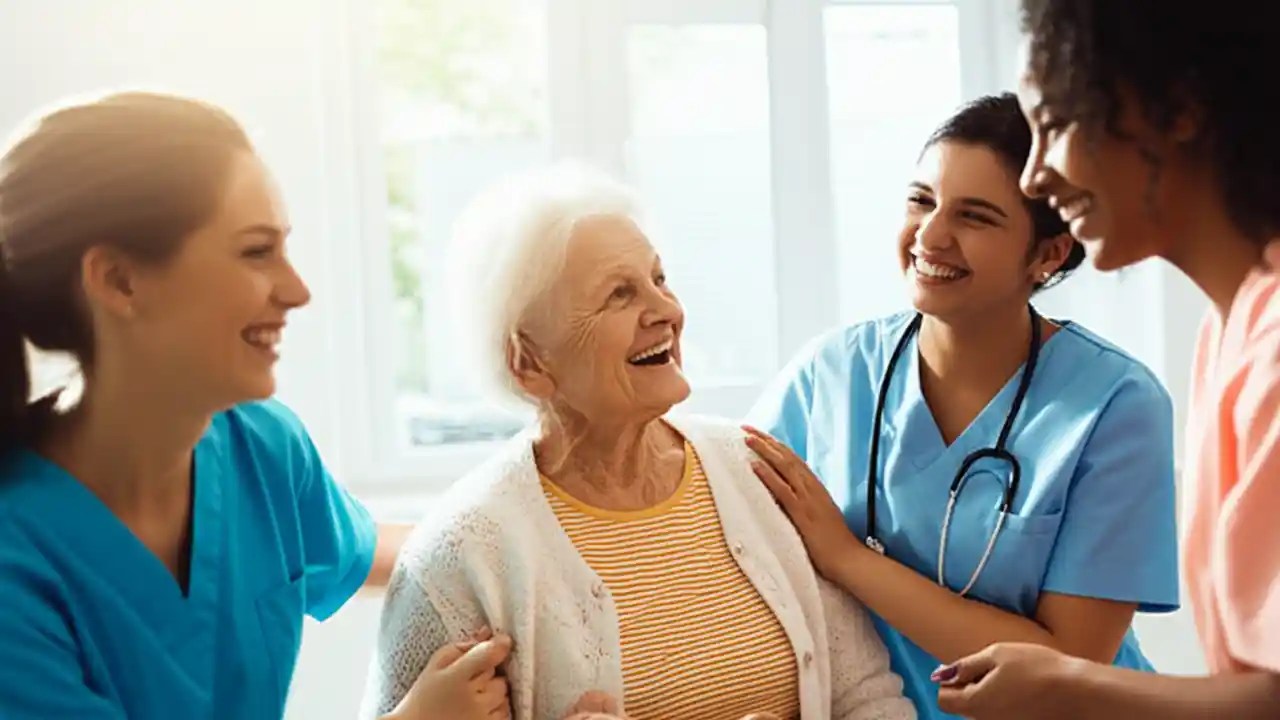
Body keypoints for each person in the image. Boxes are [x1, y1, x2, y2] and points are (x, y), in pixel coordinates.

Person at [0, 91, 511, 720]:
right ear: (119, 281)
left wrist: (553, 532)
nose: (297, 291)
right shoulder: (15, 568)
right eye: (256, 251)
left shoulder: (262, 448)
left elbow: (386, 551)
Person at [360, 162, 916, 720]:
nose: (667, 312)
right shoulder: (460, 554)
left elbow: (869, 696)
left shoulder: (754, 472)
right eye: (620, 296)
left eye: (659, 279)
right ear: (529, 362)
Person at [743, 93, 1181, 720]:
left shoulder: (1115, 406)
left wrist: (846, 558)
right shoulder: (831, 374)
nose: (931, 235)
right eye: (921, 200)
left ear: (1048, 254)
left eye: (974, 217)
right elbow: (726, 520)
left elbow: (1067, 667)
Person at [932, 2, 1280, 718]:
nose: (1034, 179)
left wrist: (1070, 684)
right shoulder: (1231, 331)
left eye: (1055, 126)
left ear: (1176, 109)